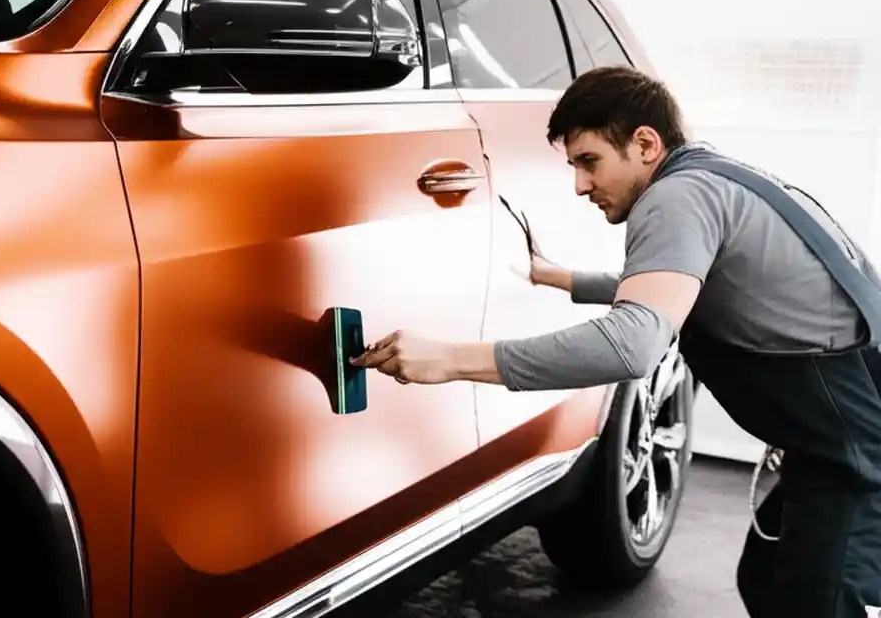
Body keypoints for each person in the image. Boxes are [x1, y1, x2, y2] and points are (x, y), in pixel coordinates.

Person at [352, 65, 881, 618]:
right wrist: (564, 279)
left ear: (646, 144)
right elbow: (682, 283)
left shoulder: (675, 197)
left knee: (815, 604)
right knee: (767, 582)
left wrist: (451, 360)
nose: (580, 185)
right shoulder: (714, 178)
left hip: (854, 455)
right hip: (841, 435)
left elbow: (633, 344)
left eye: (589, 161)